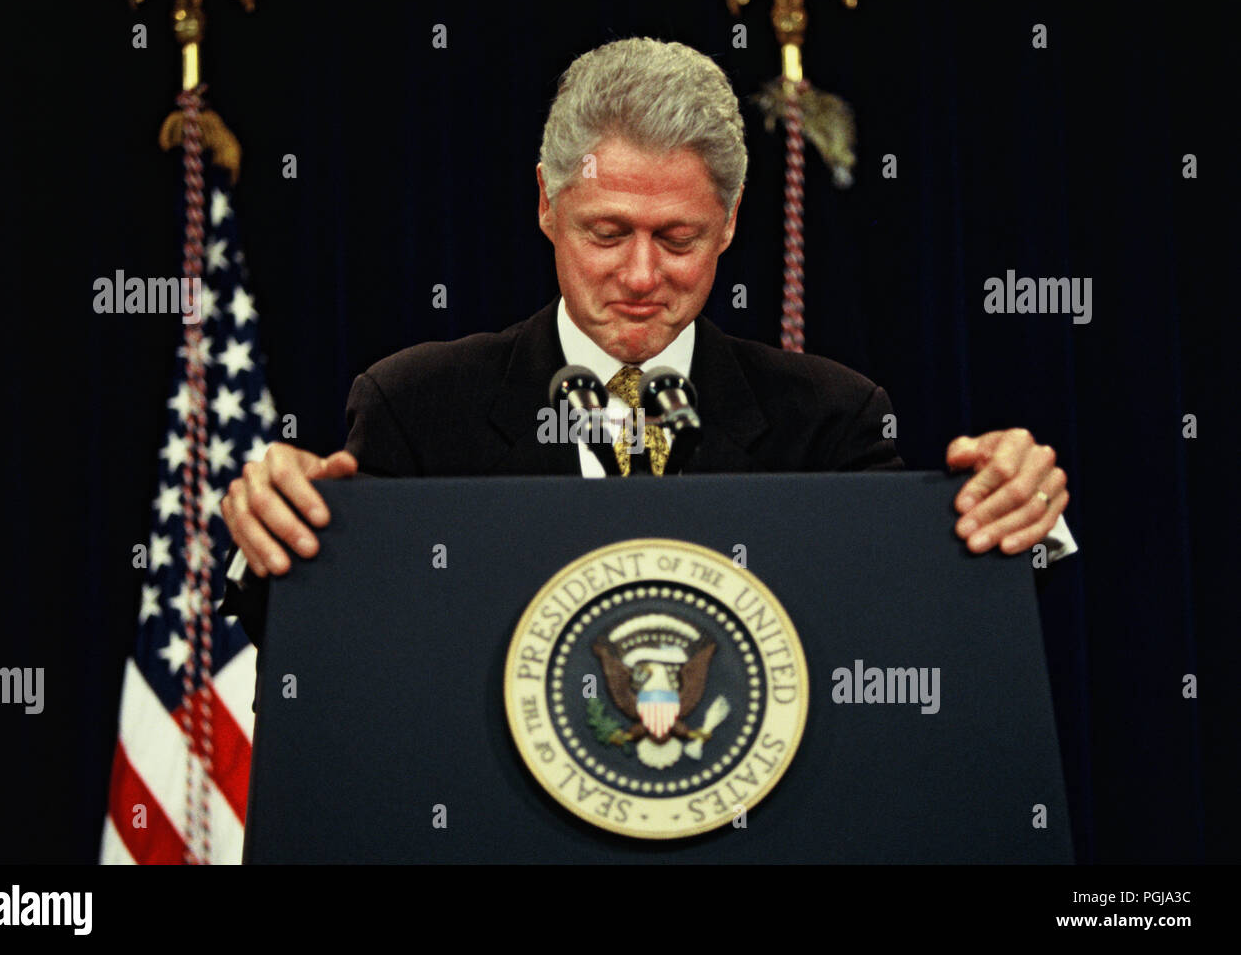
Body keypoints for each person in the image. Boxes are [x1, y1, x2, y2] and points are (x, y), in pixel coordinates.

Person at [220, 38, 1074, 624]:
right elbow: (322, 637)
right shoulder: (417, 405)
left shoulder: (829, 419)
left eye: (678, 238)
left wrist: (1017, 513)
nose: (639, 276)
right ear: (547, 205)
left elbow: (920, 621)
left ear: (731, 222)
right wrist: (276, 531)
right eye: (606, 232)